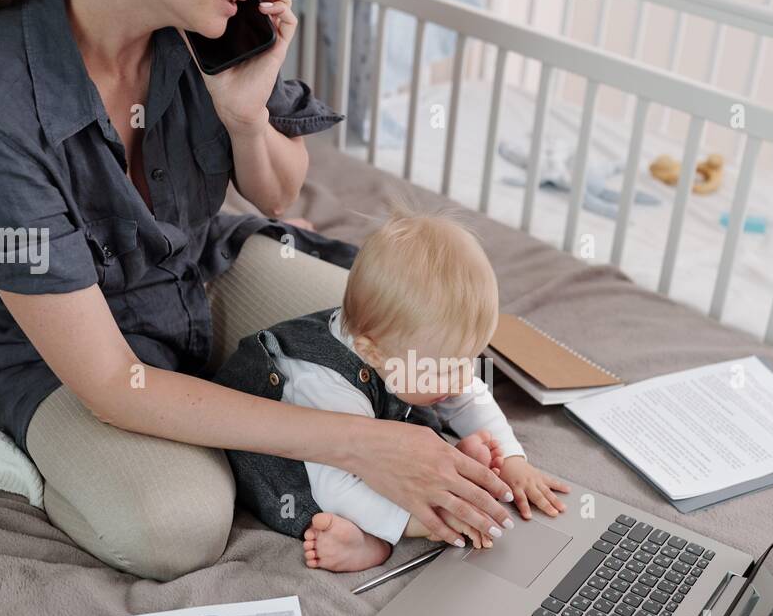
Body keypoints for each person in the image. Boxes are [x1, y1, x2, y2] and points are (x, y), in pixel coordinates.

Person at [0, 0, 513, 581]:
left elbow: (279, 193)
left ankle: (251, 409)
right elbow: (111, 382)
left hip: (199, 272)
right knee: (175, 528)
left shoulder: (206, 21)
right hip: (70, 363)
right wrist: (358, 442)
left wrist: (245, 118)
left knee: (417, 335)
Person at [218, 206, 571, 572]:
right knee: (320, 497)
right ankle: (368, 541)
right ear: (372, 351)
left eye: (466, 360)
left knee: (413, 414)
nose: (459, 378)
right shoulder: (324, 387)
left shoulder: (400, 348)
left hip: (374, 410)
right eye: (443, 370)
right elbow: (336, 488)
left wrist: (513, 460)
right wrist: (423, 521)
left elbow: (470, 396)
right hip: (296, 461)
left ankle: (455, 463)